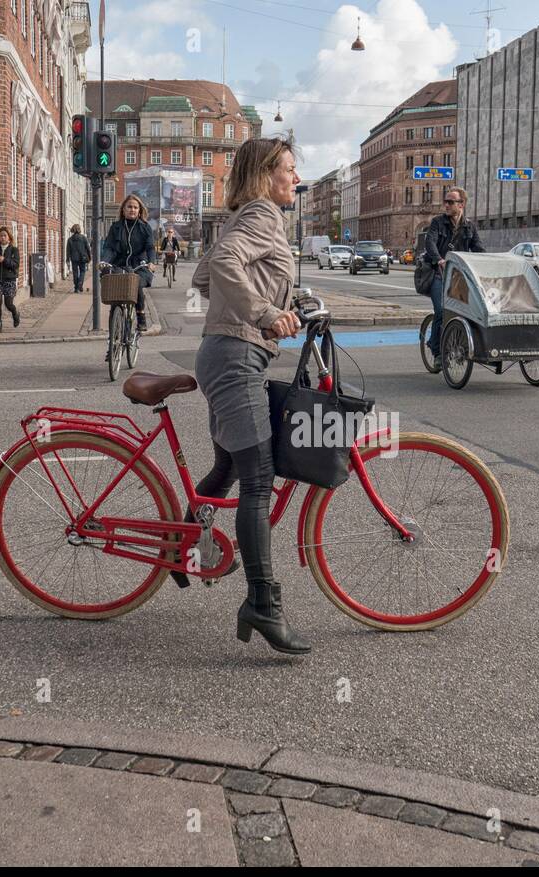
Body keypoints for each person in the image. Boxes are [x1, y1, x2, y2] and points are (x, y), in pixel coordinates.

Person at [191, 137, 308, 655]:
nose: (296, 178)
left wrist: (283, 300)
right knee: (258, 477)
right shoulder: (261, 214)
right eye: (288, 169)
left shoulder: (246, 215)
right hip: (237, 356)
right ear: (265, 174)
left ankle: (188, 539)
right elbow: (220, 269)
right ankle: (262, 604)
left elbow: (204, 271)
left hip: (228, 353)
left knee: (230, 467)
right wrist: (264, 313)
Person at [422, 186, 485, 371]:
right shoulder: (437, 222)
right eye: (446, 201)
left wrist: (486, 263)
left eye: (451, 202)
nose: (446, 205)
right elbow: (430, 242)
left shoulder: (469, 226)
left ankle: (458, 346)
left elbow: (478, 248)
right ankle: (437, 354)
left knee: (464, 313)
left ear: (461, 204)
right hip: (437, 273)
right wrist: (439, 260)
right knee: (442, 311)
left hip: (458, 276)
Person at [101, 193, 155, 331]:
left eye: (135, 207)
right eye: (129, 207)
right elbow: (109, 247)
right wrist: (104, 261)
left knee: (135, 282)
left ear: (139, 210)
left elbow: (150, 247)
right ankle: (113, 334)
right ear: (123, 210)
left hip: (139, 265)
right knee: (115, 284)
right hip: (119, 264)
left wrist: (151, 262)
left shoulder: (145, 227)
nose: (132, 210)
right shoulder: (116, 227)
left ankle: (141, 316)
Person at [0, 226, 21, 332]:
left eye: (4, 235)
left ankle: (15, 313)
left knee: (8, 303)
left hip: (9, 280)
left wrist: (4, 260)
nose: (2, 237)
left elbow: (16, 264)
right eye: (0, 236)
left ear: (9, 237)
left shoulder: (14, 250)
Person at [66, 224, 91, 292]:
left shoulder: (70, 239)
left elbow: (68, 250)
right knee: (83, 271)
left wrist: (67, 259)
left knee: (75, 272)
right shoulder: (83, 238)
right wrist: (89, 257)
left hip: (74, 258)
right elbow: (88, 248)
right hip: (82, 257)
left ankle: (76, 287)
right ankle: (80, 283)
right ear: (79, 229)